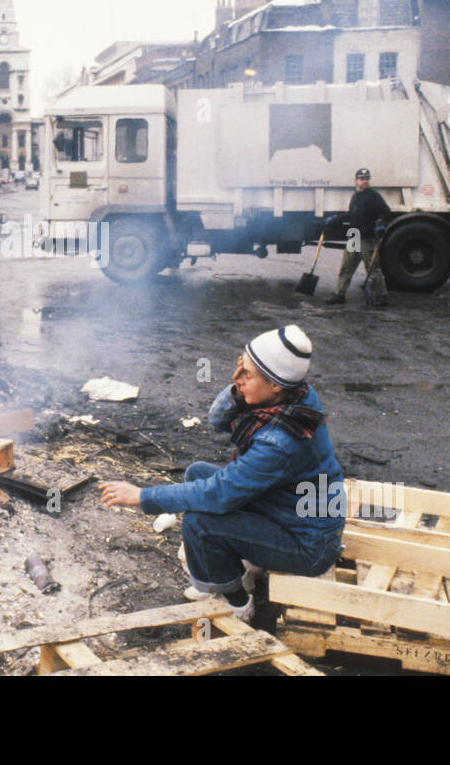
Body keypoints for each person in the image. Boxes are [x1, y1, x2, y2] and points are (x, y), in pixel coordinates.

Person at [100, 326, 345, 621]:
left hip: (308, 544)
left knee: (200, 523)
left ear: (276, 385)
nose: (236, 379)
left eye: (247, 375)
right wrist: (237, 388)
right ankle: (237, 571)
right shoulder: (295, 393)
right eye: (240, 366)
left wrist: (143, 496)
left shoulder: (279, 442)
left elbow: (218, 494)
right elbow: (217, 419)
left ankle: (238, 605)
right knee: (197, 473)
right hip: (290, 508)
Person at [325, 167, 392, 306]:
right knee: (346, 267)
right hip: (354, 237)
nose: (364, 181)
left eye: (367, 179)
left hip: (367, 238)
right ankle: (339, 294)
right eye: (362, 179)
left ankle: (382, 296)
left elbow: (386, 211)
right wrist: (335, 218)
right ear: (356, 181)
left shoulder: (374, 195)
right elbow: (351, 215)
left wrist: (380, 222)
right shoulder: (355, 196)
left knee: (372, 268)